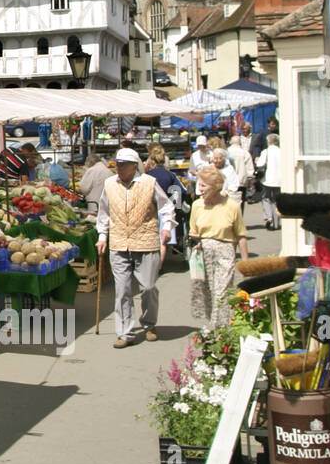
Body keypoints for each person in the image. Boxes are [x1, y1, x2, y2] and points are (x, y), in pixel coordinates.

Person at [95, 148, 175, 348]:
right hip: (119, 242)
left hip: (145, 241)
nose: (119, 168)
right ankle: (125, 333)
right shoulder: (109, 184)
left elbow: (167, 206)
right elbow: (104, 212)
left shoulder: (149, 183)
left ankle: (149, 324)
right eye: (117, 164)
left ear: (134, 166)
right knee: (122, 290)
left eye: (123, 164)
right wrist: (102, 236)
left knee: (148, 287)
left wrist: (167, 227)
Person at [187, 166, 250, 329]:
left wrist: (246, 264)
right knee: (206, 293)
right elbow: (193, 231)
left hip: (225, 251)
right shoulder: (197, 206)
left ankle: (219, 330)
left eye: (203, 186)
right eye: (199, 185)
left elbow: (241, 235)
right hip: (202, 253)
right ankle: (214, 325)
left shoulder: (231, 206)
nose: (200, 190)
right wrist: (195, 241)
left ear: (215, 186)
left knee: (221, 292)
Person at [256, 132, 282, 229]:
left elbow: (260, 164)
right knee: (276, 200)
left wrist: (257, 160)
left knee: (266, 198)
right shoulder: (281, 151)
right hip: (279, 180)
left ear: (268, 142)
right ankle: (276, 222)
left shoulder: (266, 151)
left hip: (267, 179)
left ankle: (269, 216)